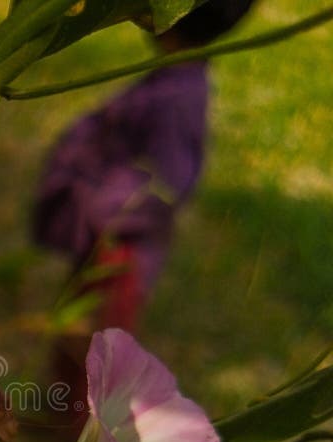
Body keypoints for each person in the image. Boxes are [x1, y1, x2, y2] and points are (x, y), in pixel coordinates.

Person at [33, 0, 256, 332]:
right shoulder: (174, 76)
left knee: (92, 350)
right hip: (106, 243)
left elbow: (170, 180)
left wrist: (104, 211)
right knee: (74, 338)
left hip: (118, 254)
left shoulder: (176, 99)